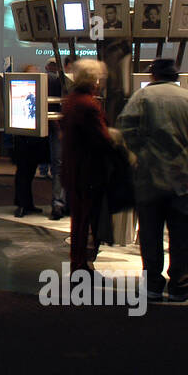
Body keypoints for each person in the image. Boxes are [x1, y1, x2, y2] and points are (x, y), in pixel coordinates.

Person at [117, 59, 188, 301]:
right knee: (183, 236)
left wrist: (143, 153)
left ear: (153, 75)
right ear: (176, 76)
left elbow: (125, 127)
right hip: (186, 182)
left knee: (150, 235)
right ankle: (181, 286)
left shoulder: (142, 97)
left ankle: (152, 285)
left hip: (150, 180)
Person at [59, 61, 118, 270]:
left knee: (80, 221)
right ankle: (81, 264)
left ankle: (79, 262)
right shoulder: (88, 105)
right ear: (94, 79)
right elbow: (101, 138)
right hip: (88, 172)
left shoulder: (72, 100)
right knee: (85, 221)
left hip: (75, 170)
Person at [10, 65, 50, 218]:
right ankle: (21, 204)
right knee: (23, 173)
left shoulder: (38, 93)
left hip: (36, 140)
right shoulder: (20, 93)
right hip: (23, 139)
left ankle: (27, 203)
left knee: (29, 173)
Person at [44, 60, 68, 219]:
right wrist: (57, 128)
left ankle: (64, 202)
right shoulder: (54, 81)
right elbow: (50, 107)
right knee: (59, 166)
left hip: (67, 132)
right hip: (59, 131)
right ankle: (58, 203)